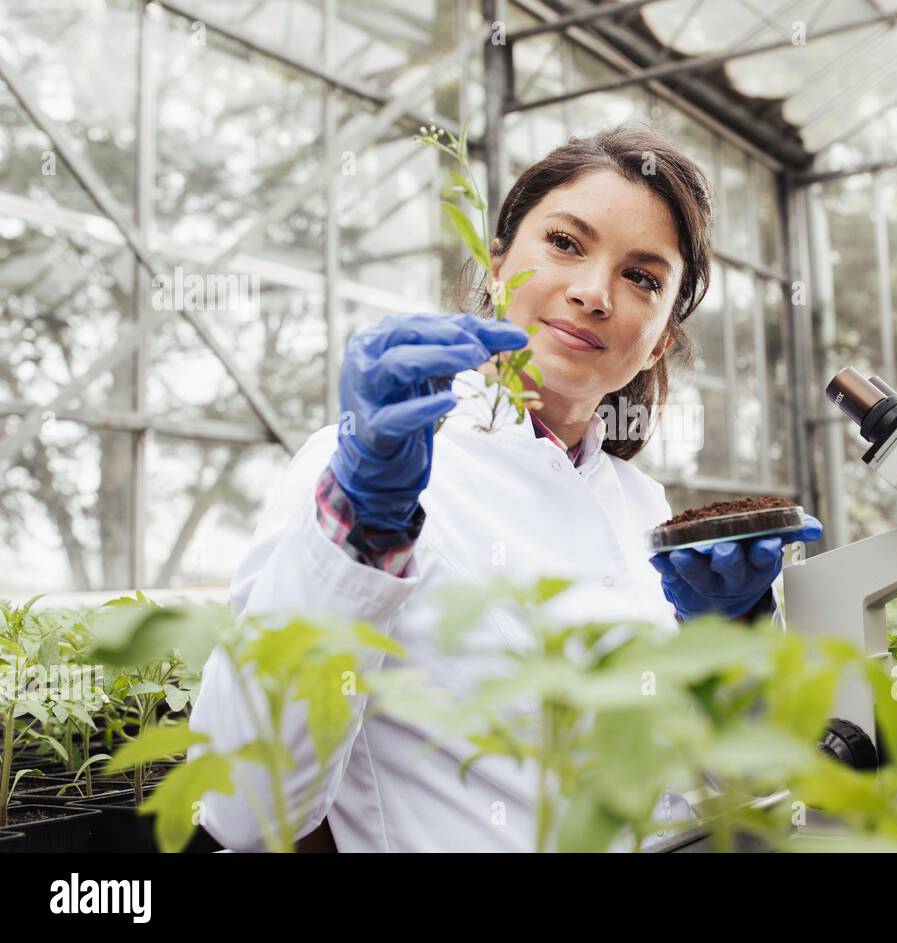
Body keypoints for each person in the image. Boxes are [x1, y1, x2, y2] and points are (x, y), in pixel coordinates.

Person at [188, 124, 822, 852]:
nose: (592, 293)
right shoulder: (361, 464)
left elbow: (719, 777)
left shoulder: (641, 502)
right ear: (497, 265)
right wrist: (360, 525)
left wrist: (729, 639)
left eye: (642, 277)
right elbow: (243, 806)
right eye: (565, 243)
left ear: (660, 340)